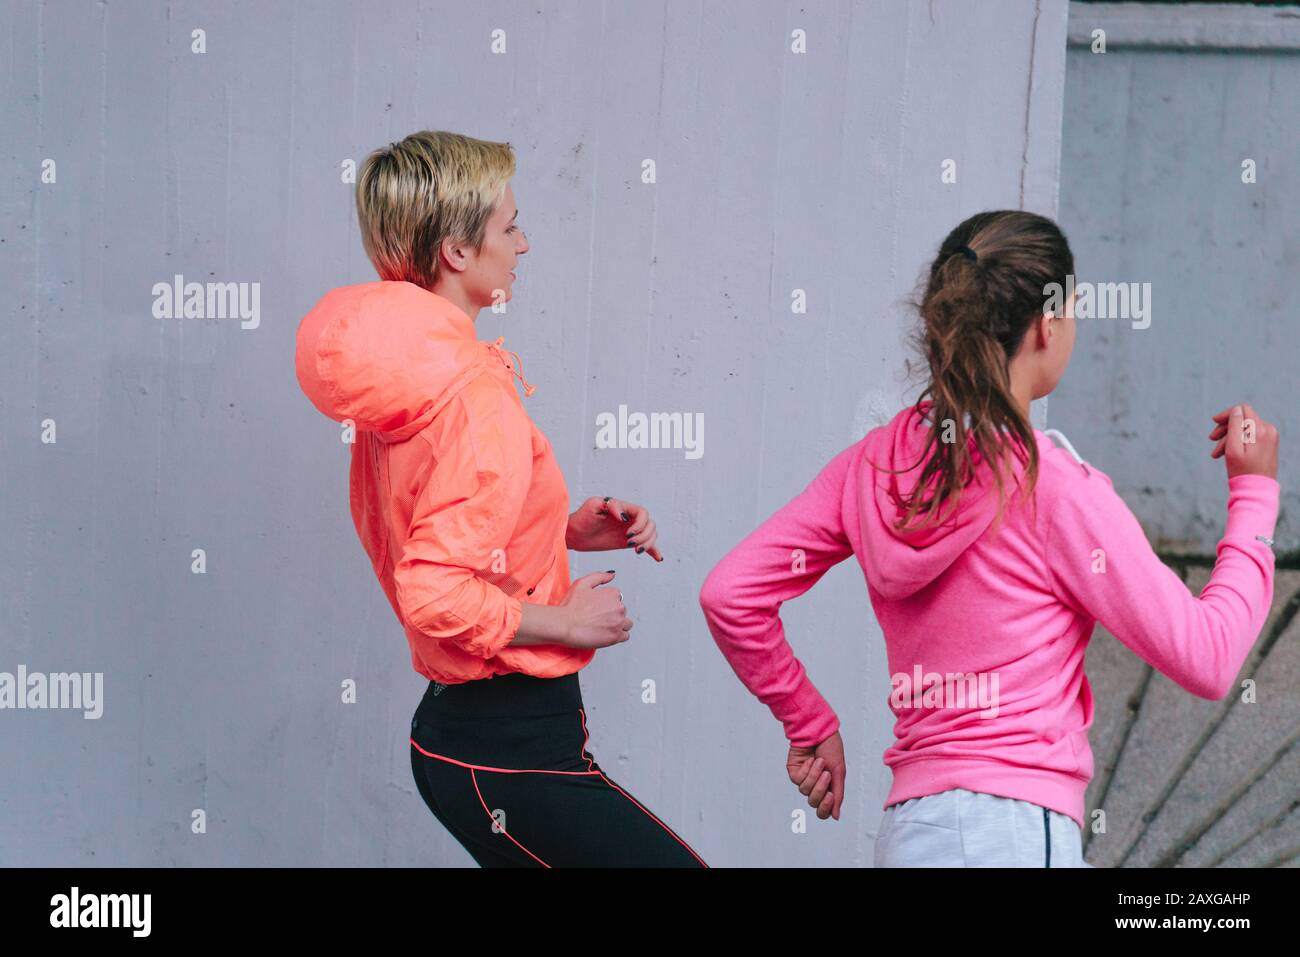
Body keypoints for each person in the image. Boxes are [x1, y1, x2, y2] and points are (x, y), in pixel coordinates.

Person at [698, 210, 1280, 867]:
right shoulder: (1054, 488)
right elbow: (1207, 655)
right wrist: (1254, 494)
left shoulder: (869, 468)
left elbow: (730, 592)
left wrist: (809, 721)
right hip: (1014, 831)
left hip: (910, 833)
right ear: (1046, 326)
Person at [295, 130, 705, 867]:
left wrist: (564, 528)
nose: (523, 243)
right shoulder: (471, 395)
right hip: (504, 750)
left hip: (473, 739)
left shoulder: (416, 386)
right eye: (509, 226)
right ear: (457, 250)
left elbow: (440, 520)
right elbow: (433, 589)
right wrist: (568, 622)